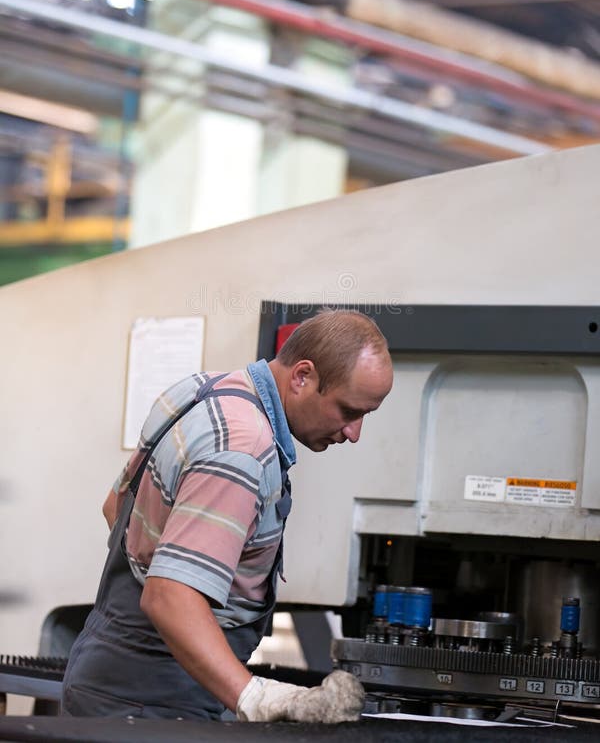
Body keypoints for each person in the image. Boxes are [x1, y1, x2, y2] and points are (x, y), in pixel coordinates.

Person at [61, 309, 394, 722]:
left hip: (111, 675)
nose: (354, 432)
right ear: (302, 376)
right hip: (154, 698)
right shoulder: (242, 449)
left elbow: (117, 509)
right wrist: (259, 698)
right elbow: (169, 597)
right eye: (348, 411)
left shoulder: (202, 390)